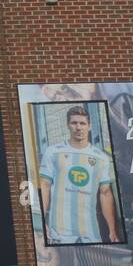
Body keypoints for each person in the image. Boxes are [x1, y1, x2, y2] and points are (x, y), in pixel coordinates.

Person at [38, 105, 119, 245]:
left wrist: (112, 230)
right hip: (58, 233)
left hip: (91, 234)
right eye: (74, 123)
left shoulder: (101, 158)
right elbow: (44, 186)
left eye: (82, 123)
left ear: (89, 126)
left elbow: (105, 193)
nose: (78, 127)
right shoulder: (53, 152)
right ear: (68, 125)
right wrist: (41, 223)